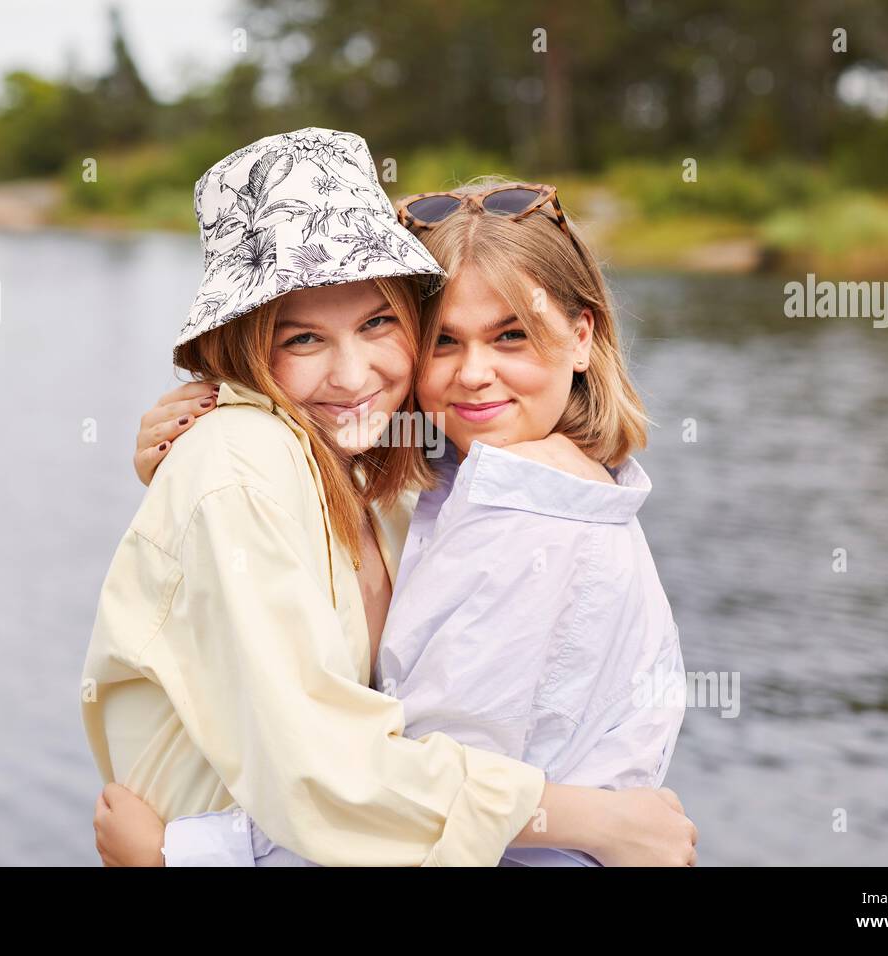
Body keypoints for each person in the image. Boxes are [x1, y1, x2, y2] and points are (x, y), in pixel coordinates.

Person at [83, 129, 698, 867]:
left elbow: (377, 777)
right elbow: (328, 774)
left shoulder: (453, 490)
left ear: (580, 337)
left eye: (378, 322)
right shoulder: (280, 465)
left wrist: (179, 856)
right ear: (245, 346)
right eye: (302, 339)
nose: (351, 375)